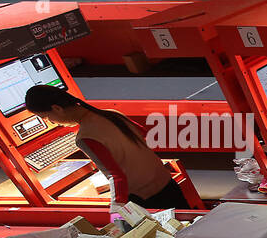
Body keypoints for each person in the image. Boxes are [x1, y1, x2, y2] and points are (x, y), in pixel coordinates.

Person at [24, 85, 187, 212]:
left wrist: (115, 214)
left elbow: (116, 177)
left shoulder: (85, 137)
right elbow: (142, 134)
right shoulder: (111, 113)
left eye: (46, 117)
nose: (51, 122)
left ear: (57, 108)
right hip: (168, 184)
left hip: (147, 199)